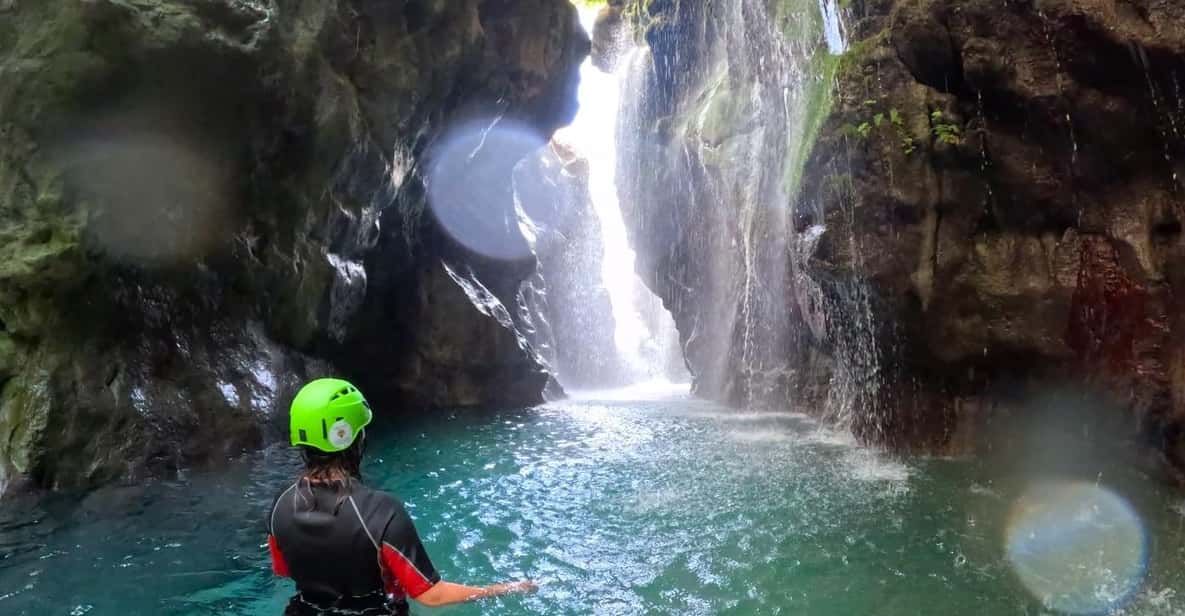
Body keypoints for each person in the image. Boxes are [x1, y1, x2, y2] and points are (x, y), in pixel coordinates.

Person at [266, 378, 536, 615]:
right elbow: (432, 595)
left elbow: (283, 570)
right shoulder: (381, 511)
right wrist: (503, 589)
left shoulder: (280, 506)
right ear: (352, 438)